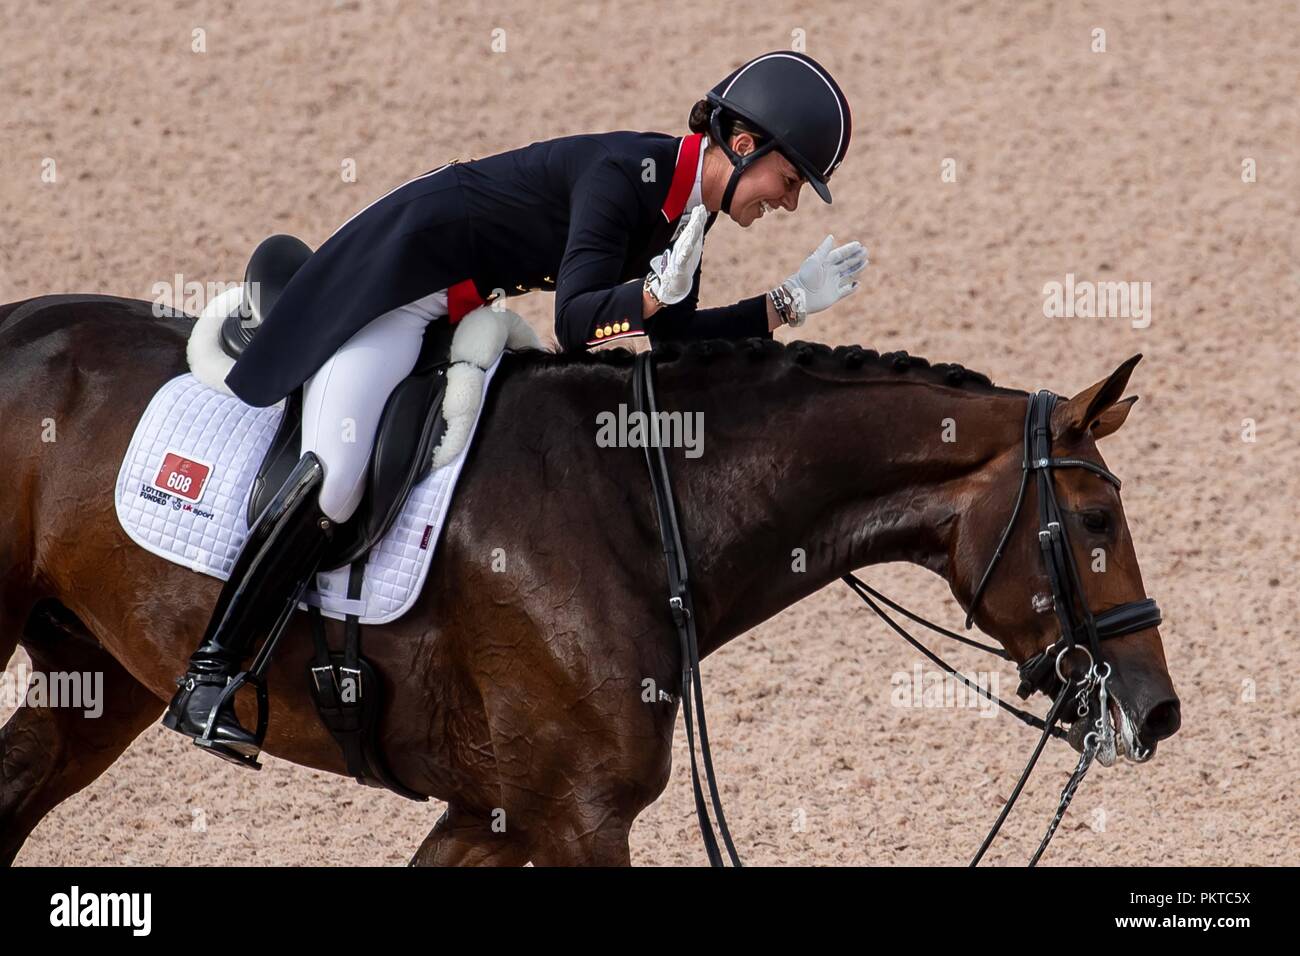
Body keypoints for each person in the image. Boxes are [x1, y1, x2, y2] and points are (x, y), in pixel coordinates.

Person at [163, 50, 867, 765]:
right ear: (744, 145)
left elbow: (669, 337)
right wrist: (652, 297)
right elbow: (577, 325)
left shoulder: (685, 205)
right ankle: (207, 675)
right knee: (337, 473)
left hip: (457, 298)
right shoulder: (624, 177)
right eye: (789, 181)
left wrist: (782, 307)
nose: (787, 202)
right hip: (399, 285)